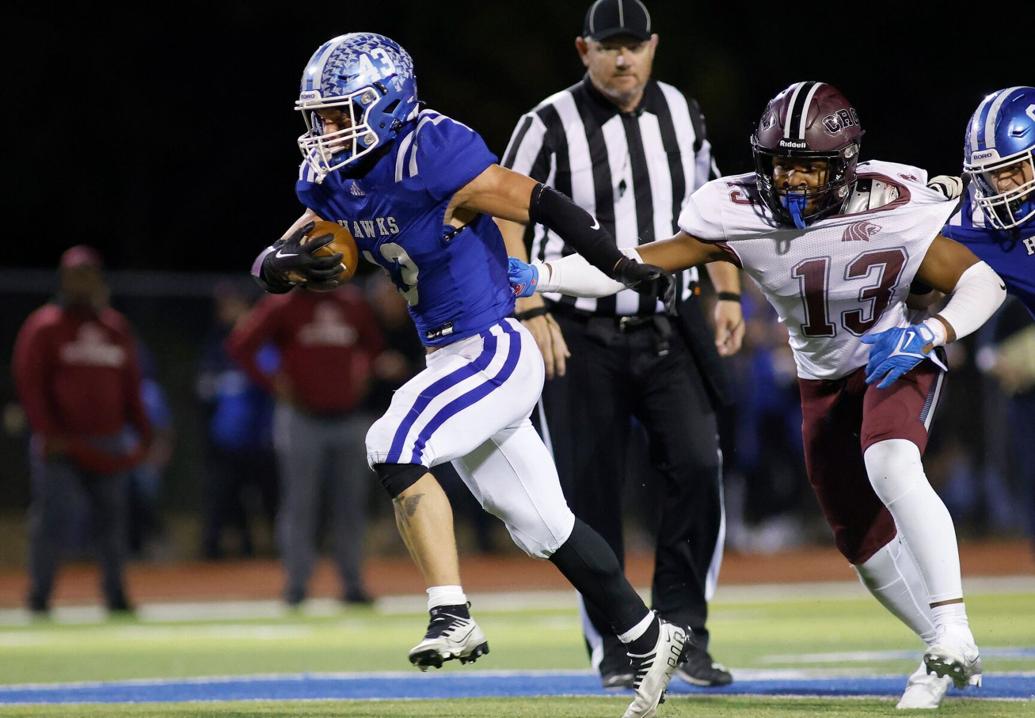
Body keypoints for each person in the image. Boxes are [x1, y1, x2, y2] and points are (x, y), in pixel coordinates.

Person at [509, 81, 1008, 710]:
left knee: (890, 459)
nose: (792, 178)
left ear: (845, 164)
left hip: (892, 355)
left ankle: (955, 627)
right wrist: (545, 274)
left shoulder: (897, 205)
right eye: (780, 162)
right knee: (858, 539)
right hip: (820, 374)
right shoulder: (736, 210)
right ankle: (941, 644)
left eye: (808, 164)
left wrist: (929, 331)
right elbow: (635, 263)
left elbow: (981, 283)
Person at [249, 32, 686, 717]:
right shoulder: (335, 177)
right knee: (542, 525)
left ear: (387, 103)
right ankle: (648, 635)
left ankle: (451, 614)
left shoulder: (433, 152)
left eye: (340, 113)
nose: (326, 130)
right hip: (449, 357)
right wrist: (277, 266)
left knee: (391, 444)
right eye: (321, 116)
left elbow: (538, 200)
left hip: (492, 347)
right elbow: (291, 246)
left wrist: (618, 262)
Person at [496, 0, 739, 689]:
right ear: (583, 49)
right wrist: (531, 304)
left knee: (696, 468)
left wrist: (724, 292)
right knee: (586, 492)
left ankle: (683, 633)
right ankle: (620, 645)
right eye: (610, 47)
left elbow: (713, 210)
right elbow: (500, 211)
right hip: (576, 335)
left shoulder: (680, 113)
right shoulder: (545, 122)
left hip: (667, 326)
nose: (623, 59)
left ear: (654, 46)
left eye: (634, 46)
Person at [12, 245, 152, 615]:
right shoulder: (44, 326)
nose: (82, 282)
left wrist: (145, 433)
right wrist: (46, 431)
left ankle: (116, 595)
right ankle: (39, 596)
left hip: (108, 442)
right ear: (64, 278)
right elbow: (30, 383)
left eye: (89, 274)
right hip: (61, 444)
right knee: (52, 520)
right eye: (76, 274)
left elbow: (131, 387)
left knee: (112, 524)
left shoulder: (114, 328)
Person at [226, 284, 382, 606]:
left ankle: (352, 584)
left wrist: (361, 373)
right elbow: (241, 344)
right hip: (302, 417)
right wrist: (272, 382)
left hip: (348, 417)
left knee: (350, 504)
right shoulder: (283, 304)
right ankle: (296, 585)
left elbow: (373, 346)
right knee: (300, 504)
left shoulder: (352, 302)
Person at [197, 282, 279, 560]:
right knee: (222, 506)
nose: (227, 312)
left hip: (260, 440)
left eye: (233, 306)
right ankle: (213, 558)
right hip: (226, 441)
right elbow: (203, 389)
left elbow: (271, 381)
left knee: (271, 504)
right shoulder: (216, 346)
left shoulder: (262, 346)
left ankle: (279, 555)